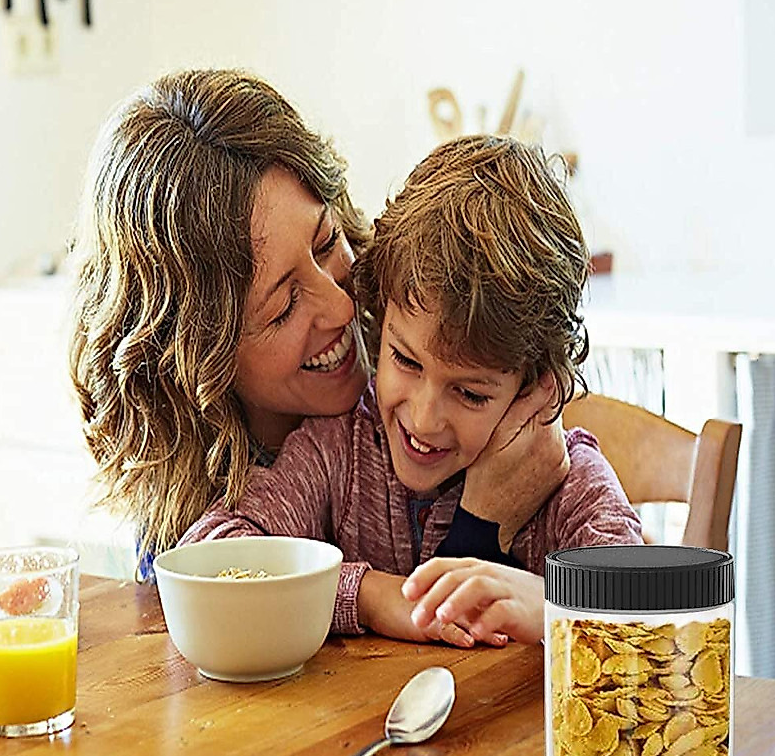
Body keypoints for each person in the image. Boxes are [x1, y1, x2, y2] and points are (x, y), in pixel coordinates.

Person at [69, 71, 573, 633]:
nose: (340, 308)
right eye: (283, 307)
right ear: (197, 356)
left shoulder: (458, 378)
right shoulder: (244, 504)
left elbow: (633, 606)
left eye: (328, 243)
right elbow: (213, 581)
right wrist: (459, 541)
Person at [179, 134, 643, 647]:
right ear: (381, 320)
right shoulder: (339, 450)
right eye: (404, 361)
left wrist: (552, 606)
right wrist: (370, 597)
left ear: (535, 387)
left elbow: (646, 619)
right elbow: (212, 560)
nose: (423, 419)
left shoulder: (567, 479)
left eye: (469, 394)